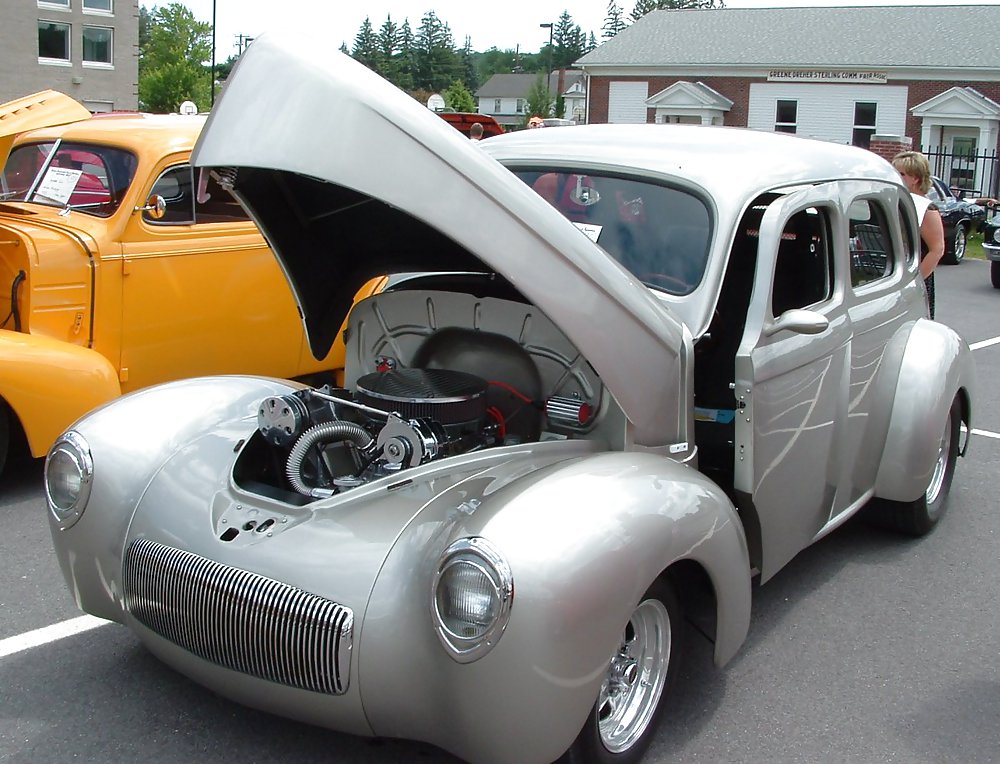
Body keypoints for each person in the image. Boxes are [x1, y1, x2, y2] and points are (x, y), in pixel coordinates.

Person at [892, 150, 945, 319]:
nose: (897, 177)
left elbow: (937, 250)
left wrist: (915, 283)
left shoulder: (927, 209)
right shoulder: (896, 200)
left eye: (902, 174)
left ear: (916, 178)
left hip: (914, 278)